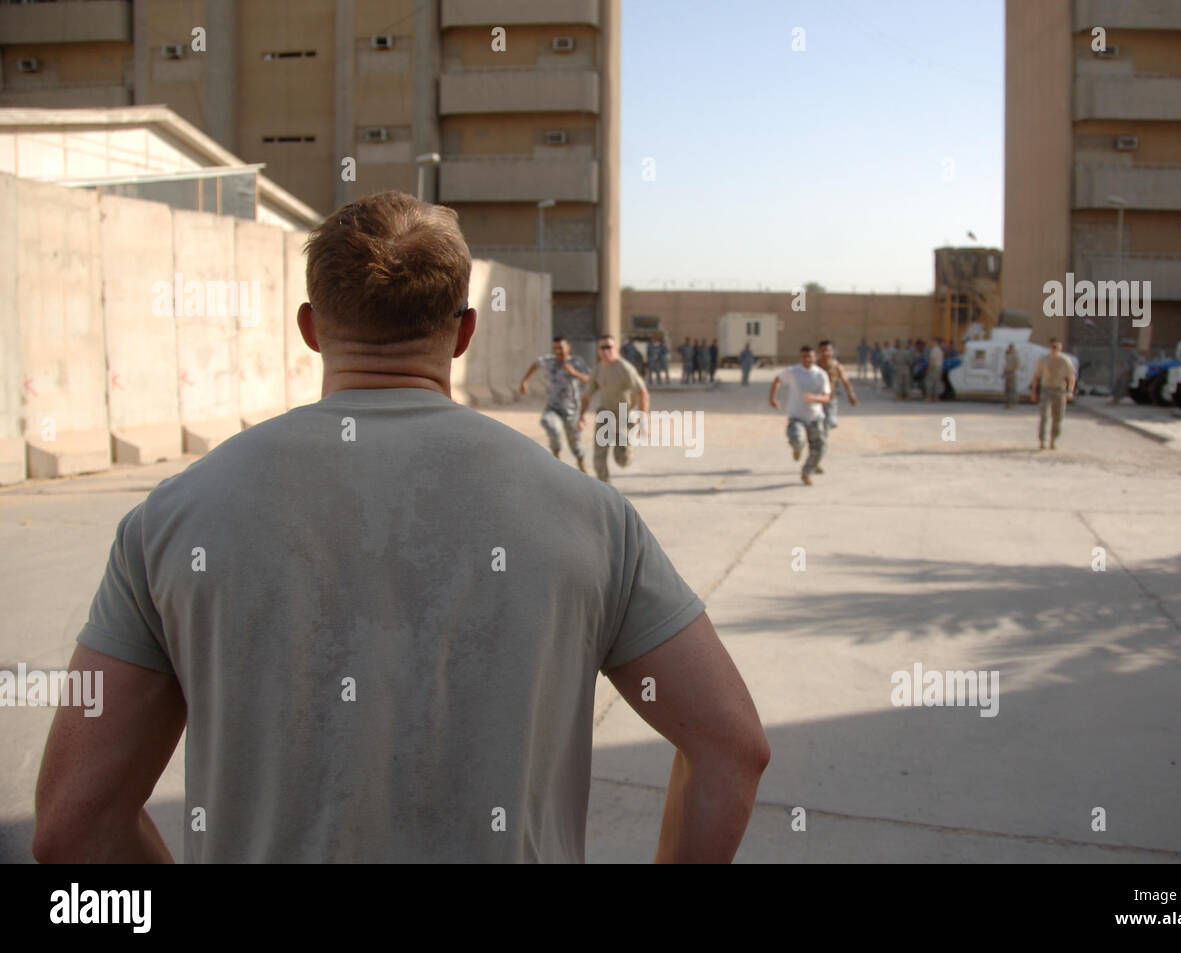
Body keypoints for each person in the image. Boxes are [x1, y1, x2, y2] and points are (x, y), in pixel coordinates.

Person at [32, 191, 769, 864]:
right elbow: (732, 748)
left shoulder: (170, 520)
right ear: (463, 333)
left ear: (313, 327)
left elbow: (73, 827)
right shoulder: (589, 515)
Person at [579, 334, 650, 485]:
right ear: (598, 350)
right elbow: (586, 396)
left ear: (615, 348)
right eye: (602, 347)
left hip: (624, 416)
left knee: (622, 460)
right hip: (605, 416)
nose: (606, 351)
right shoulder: (597, 370)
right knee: (598, 459)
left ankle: (628, 450)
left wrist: (643, 422)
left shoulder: (624, 368)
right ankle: (606, 492)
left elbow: (643, 393)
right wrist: (581, 416)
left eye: (609, 347)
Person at [521, 335, 590, 473]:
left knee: (575, 444)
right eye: (556, 348)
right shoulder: (549, 361)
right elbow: (535, 364)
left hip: (572, 410)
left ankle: (581, 461)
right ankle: (556, 458)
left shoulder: (576, 362)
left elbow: (588, 379)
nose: (559, 351)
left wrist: (574, 372)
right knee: (552, 427)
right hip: (553, 407)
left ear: (568, 348)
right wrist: (525, 381)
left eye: (561, 348)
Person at [769, 346, 831, 486]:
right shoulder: (793, 371)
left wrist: (815, 398)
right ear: (800, 357)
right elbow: (777, 380)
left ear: (815, 357)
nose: (807, 359)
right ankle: (797, 448)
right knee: (798, 439)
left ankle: (807, 472)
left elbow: (827, 397)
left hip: (815, 417)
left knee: (820, 447)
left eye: (810, 356)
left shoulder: (821, 374)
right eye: (804, 356)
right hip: (797, 416)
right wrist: (772, 398)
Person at [815, 340, 858, 473]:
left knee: (824, 431)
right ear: (819, 351)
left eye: (828, 350)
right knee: (819, 432)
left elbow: (845, 381)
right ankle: (816, 461)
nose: (826, 353)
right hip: (816, 403)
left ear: (833, 351)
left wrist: (851, 395)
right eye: (823, 350)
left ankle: (817, 460)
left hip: (830, 402)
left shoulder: (837, 366)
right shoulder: (814, 366)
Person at [1031, 337, 1077, 450]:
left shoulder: (1065, 360)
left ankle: (1053, 439)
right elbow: (1036, 377)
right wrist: (1034, 392)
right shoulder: (1043, 360)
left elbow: (1071, 377)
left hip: (1059, 390)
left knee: (1058, 416)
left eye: (1057, 347)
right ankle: (1043, 440)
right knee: (1044, 416)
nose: (1055, 349)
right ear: (1049, 347)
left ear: (1060, 348)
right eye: (1053, 347)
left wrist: (1070, 391)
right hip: (1046, 389)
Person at [924, 337, 945, 403]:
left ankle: (929, 398)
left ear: (934, 342)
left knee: (930, 383)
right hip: (939, 368)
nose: (930, 343)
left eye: (931, 342)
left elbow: (932, 361)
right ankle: (936, 397)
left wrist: (928, 369)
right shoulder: (940, 350)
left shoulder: (934, 350)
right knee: (937, 383)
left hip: (934, 368)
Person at [1002, 343, 1020, 409]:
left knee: (1012, 389)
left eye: (1011, 348)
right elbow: (1006, 365)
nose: (1010, 349)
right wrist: (1003, 373)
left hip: (1012, 373)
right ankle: (1007, 403)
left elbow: (1017, 366)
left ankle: (1013, 403)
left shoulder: (1015, 356)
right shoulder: (1007, 356)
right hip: (1007, 372)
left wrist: (1013, 374)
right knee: (1007, 388)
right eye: (1009, 348)